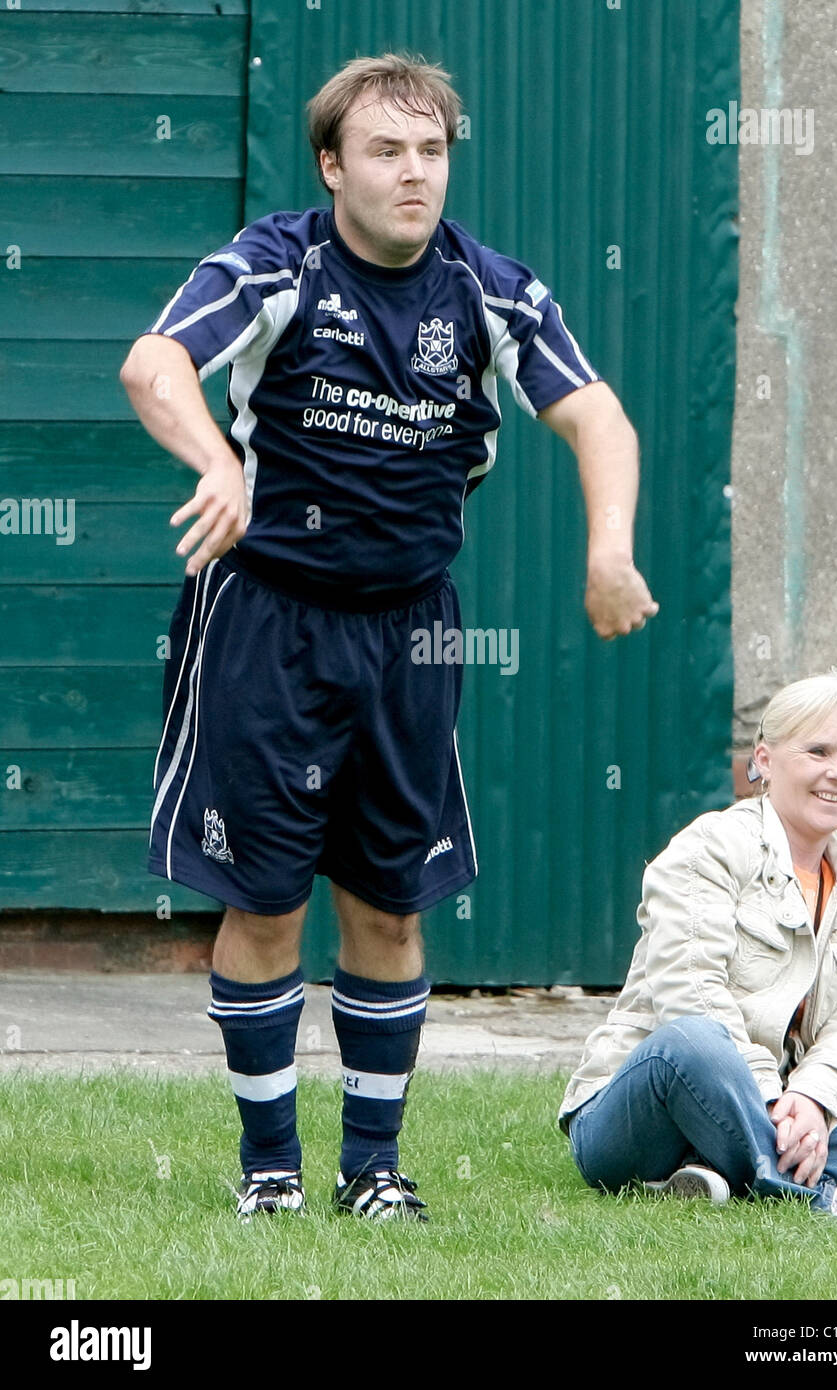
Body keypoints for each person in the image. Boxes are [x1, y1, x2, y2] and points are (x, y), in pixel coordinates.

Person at [119, 53, 658, 1221]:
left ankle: (376, 1168)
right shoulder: (273, 263)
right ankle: (271, 1171)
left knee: (391, 903)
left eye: (432, 152)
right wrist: (219, 462)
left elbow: (595, 412)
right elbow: (153, 363)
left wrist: (608, 546)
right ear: (333, 164)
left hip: (411, 635)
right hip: (262, 622)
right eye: (386, 151)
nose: (414, 174)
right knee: (263, 904)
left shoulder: (491, 290)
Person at [560, 670, 837, 1212]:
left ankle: (717, 1169)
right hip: (643, 1110)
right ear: (764, 760)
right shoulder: (708, 850)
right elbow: (690, 992)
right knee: (692, 1040)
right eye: (818, 751)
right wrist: (774, 1097)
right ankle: (821, 1192)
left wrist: (812, 1097)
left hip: (767, 1109)